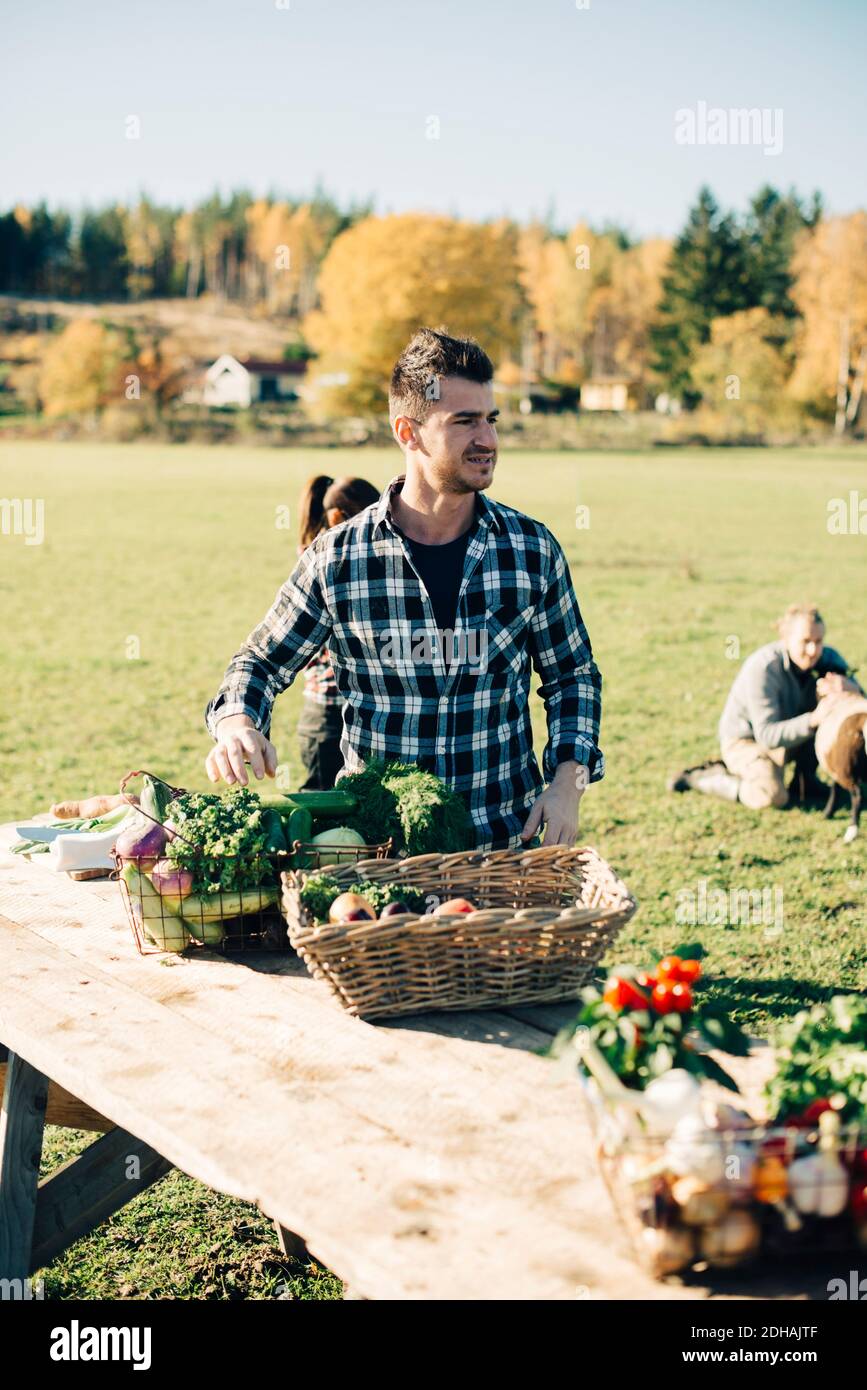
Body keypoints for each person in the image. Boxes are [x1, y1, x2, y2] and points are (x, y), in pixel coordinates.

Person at [203, 327, 603, 849]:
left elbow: (573, 676)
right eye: (464, 422)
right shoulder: (339, 558)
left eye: (490, 419)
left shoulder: (531, 550)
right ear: (407, 432)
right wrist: (237, 722)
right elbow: (258, 662)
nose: (488, 440)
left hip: (506, 850)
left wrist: (567, 784)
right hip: (377, 853)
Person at [669, 604, 861, 809]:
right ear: (785, 638)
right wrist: (815, 718)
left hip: (791, 736)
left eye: (818, 641)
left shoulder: (829, 658)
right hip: (747, 741)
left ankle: (805, 782)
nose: (813, 650)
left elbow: (860, 712)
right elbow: (767, 735)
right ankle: (705, 778)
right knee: (772, 795)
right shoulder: (763, 668)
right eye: (805, 641)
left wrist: (853, 689)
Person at [294, 474, 381, 789]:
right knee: (320, 818)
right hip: (327, 715)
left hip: (351, 715)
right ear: (336, 519)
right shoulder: (320, 563)